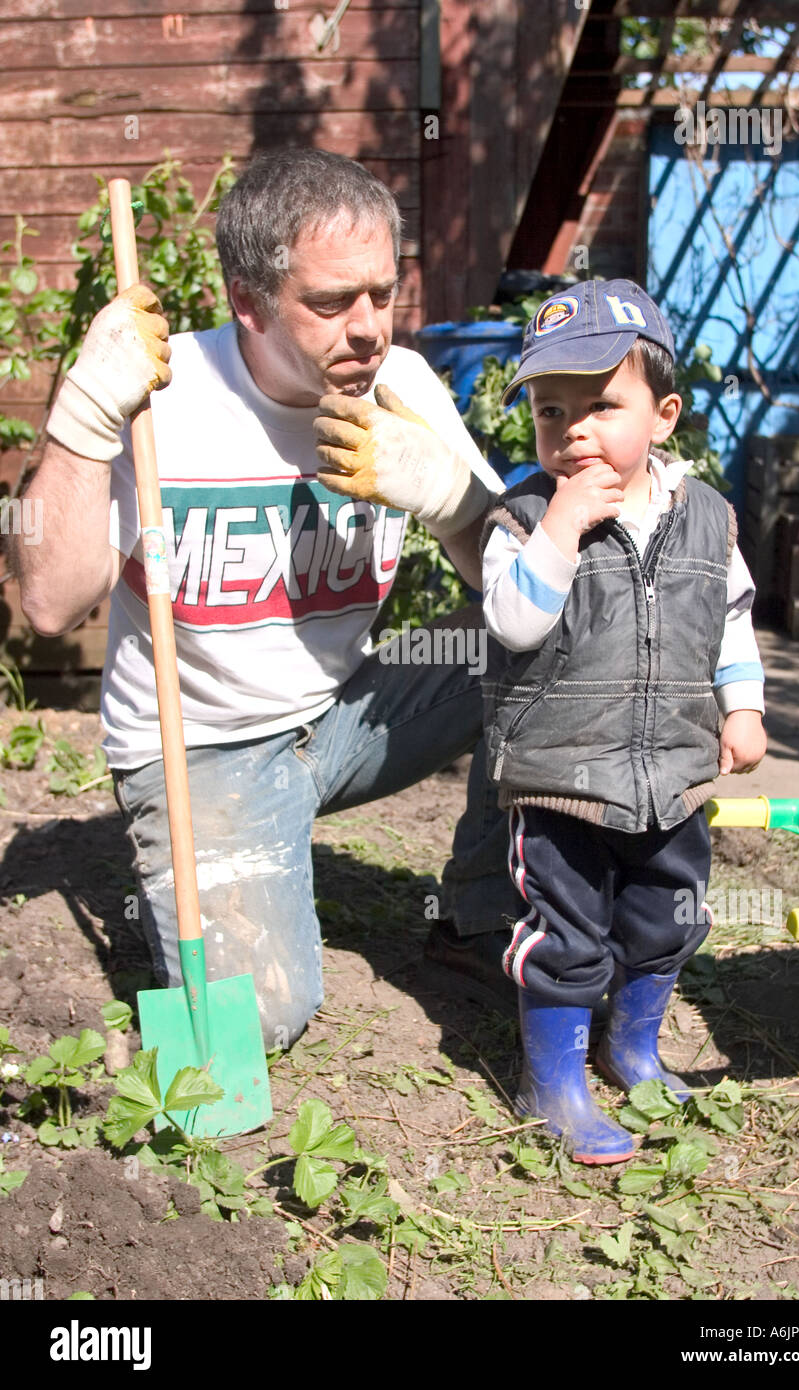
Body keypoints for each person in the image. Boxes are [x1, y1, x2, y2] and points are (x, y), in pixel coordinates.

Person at [11, 147, 520, 1048]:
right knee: (261, 1020)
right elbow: (49, 606)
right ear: (247, 302)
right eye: (330, 303)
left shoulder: (400, 388)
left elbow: (525, 584)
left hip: (344, 719)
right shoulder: (160, 404)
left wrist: (454, 501)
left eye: (382, 293)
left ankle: (477, 921)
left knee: (539, 639)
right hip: (201, 750)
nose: (367, 328)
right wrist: (85, 416)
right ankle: (187, 865)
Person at [480, 280, 767, 1164]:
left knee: (665, 917)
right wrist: (560, 529)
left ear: (664, 414)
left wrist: (743, 705)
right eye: (550, 408)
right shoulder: (526, 515)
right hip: (563, 782)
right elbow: (514, 622)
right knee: (564, 931)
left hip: (672, 779)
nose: (574, 429)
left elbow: (730, 618)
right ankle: (553, 1082)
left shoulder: (708, 520)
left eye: (602, 404)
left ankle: (633, 1045)